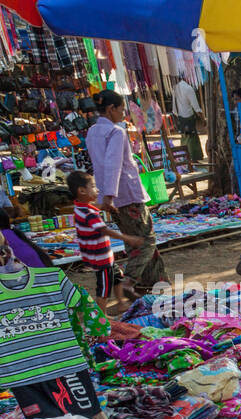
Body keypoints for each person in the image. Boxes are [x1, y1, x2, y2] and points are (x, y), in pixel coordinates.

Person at [84, 90, 166, 293]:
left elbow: (100, 165)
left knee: (136, 241)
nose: (123, 114)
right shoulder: (116, 132)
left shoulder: (93, 132)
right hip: (126, 194)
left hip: (111, 197)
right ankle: (128, 281)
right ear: (111, 109)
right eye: (121, 109)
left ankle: (154, 285)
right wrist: (110, 196)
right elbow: (113, 165)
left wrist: (105, 196)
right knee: (147, 240)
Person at [68, 170, 138, 314]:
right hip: (101, 258)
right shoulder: (89, 214)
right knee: (104, 287)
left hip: (102, 255)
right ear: (81, 191)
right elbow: (105, 230)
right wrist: (128, 238)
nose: (97, 189)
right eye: (93, 186)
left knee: (117, 276)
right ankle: (103, 315)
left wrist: (102, 207)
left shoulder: (80, 208)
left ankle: (120, 303)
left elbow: (93, 209)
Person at [172, 75, 204, 162]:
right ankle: (194, 159)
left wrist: (176, 121)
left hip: (181, 118)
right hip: (189, 118)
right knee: (192, 139)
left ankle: (185, 159)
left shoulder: (175, 88)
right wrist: (203, 119)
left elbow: (174, 109)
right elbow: (196, 107)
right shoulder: (188, 88)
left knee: (184, 138)